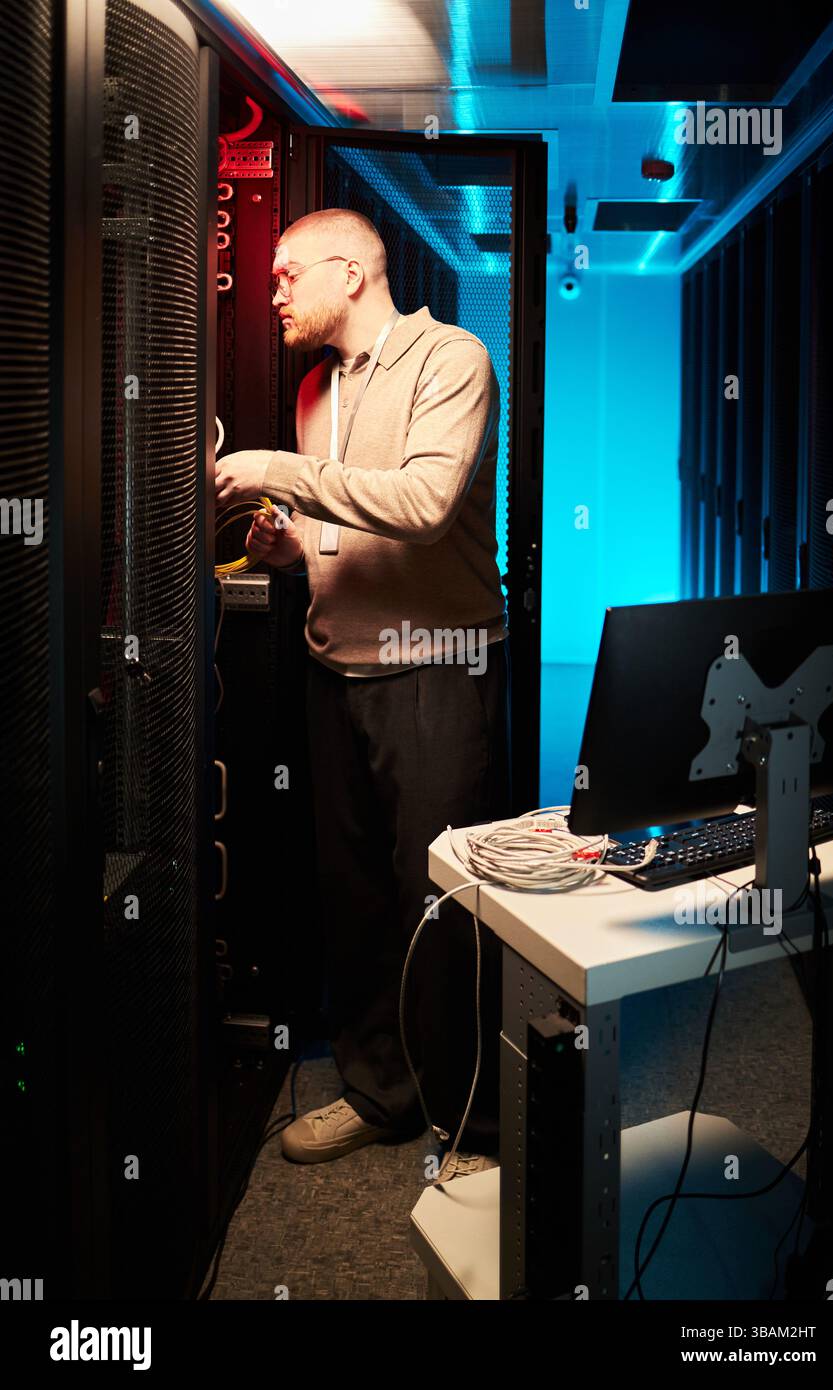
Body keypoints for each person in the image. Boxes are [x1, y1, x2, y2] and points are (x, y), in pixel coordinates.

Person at [215, 208, 511, 1182]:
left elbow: (424, 504)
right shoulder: (311, 392)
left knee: (441, 902)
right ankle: (380, 1092)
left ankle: (469, 1127)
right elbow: (344, 532)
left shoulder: (451, 359)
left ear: (349, 270)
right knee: (351, 901)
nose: (274, 293)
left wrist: (273, 470)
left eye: (285, 274)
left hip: (435, 668)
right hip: (332, 671)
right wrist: (291, 549)